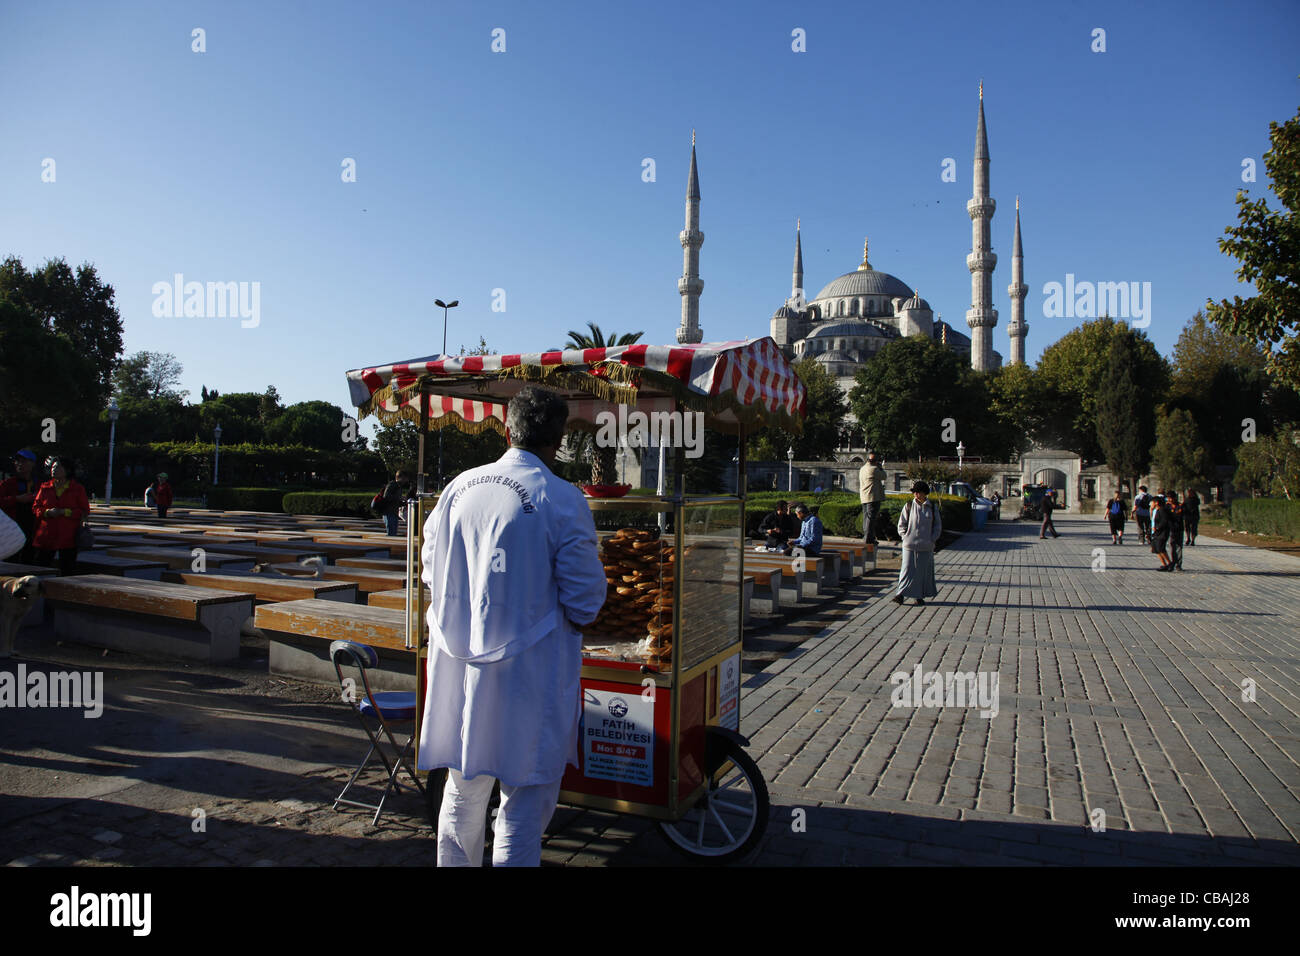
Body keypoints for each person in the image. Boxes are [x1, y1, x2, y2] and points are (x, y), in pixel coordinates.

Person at [418, 385, 607, 867]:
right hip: (531, 678)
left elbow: (429, 569)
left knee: (462, 792)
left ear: (507, 428)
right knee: (523, 804)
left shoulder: (458, 487)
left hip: (461, 670)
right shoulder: (563, 499)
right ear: (558, 438)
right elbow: (586, 602)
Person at [32, 457, 90, 576]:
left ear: (67, 470)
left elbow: (84, 511)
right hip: (46, 535)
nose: (54, 469)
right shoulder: (45, 487)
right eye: (53, 467)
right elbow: (35, 508)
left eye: (58, 467)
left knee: (67, 569)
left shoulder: (77, 489)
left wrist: (65, 512)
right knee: (41, 567)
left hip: (68, 536)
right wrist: (48, 512)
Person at [894, 481, 942, 606]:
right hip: (909, 544)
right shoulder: (909, 505)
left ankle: (918, 596)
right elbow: (901, 524)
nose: (915, 494)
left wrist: (933, 539)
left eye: (918, 492)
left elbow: (937, 526)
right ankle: (900, 594)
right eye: (914, 492)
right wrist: (905, 536)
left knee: (922, 572)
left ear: (924, 493)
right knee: (906, 570)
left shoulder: (932, 507)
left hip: (926, 545)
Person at [0, 450, 40, 565]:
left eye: (24, 461)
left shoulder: (40, 484)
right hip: (13, 528)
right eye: (17, 461)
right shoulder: (7, 484)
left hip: (33, 527)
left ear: (32, 464)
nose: (19, 464)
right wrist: (17, 499)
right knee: (11, 561)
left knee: (29, 559)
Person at [858, 451, 886, 547]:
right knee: (871, 518)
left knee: (866, 517)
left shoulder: (862, 469)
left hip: (864, 496)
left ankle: (867, 536)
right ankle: (868, 538)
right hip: (872, 497)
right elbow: (884, 476)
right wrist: (880, 467)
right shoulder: (873, 469)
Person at [380, 469, 412, 535]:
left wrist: (403, 502)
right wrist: (399, 498)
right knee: (391, 533)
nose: (406, 481)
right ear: (400, 477)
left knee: (393, 533)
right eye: (405, 478)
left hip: (393, 512)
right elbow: (386, 496)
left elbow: (394, 500)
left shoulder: (398, 486)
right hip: (389, 513)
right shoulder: (392, 485)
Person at [1150, 494, 1171, 571]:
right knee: (1156, 549)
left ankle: (1169, 563)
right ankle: (1164, 564)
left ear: (1156, 503)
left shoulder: (1162, 510)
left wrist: (1157, 527)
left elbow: (1164, 521)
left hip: (1162, 532)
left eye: (1152, 502)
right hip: (1156, 533)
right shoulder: (1157, 510)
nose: (1151, 504)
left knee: (1161, 548)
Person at [1166, 491, 1185, 572]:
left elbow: (1184, 515)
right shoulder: (1167, 506)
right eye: (1168, 498)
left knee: (1179, 547)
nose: (1169, 500)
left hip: (1179, 529)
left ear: (1175, 498)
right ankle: (1173, 562)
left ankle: (1178, 565)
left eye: (1171, 498)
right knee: (1172, 546)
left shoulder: (1180, 506)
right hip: (1170, 529)